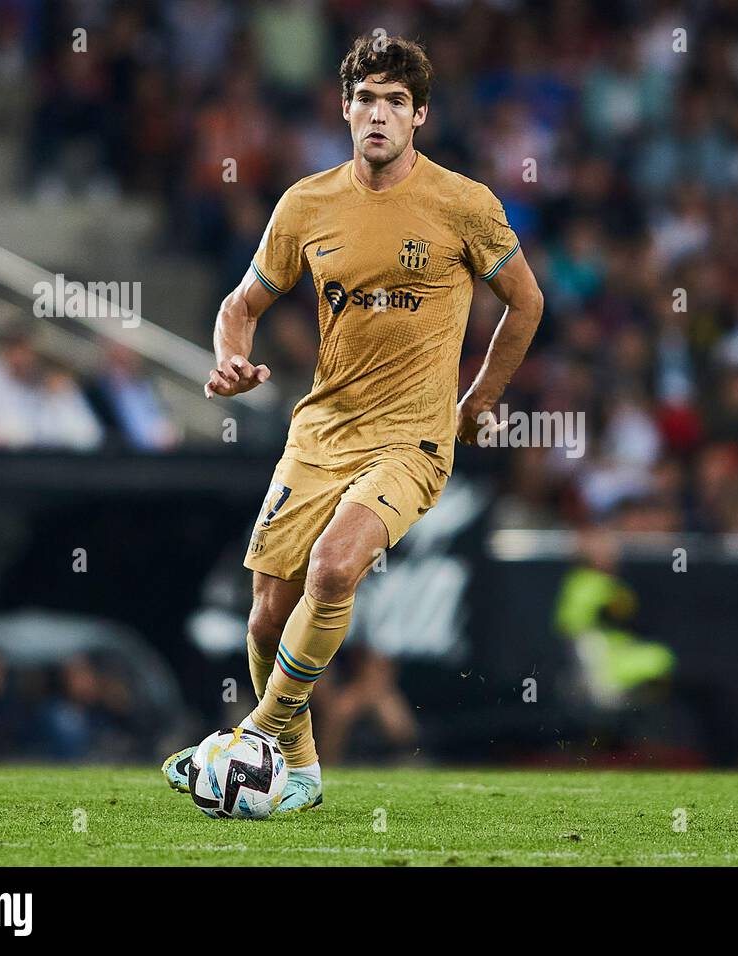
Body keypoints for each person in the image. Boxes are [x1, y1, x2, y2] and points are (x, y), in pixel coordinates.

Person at [162, 34, 544, 814]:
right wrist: (231, 358)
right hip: (321, 430)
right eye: (366, 98)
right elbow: (242, 306)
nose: (379, 113)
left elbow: (526, 302)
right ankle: (298, 771)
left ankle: (257, 733)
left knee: (335, 569)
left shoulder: (464, 204)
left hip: (412, 438)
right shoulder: (306, 203)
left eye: (396, 101)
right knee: (269, 612)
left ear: (420, 115)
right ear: (344, 109)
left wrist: (480, 400)